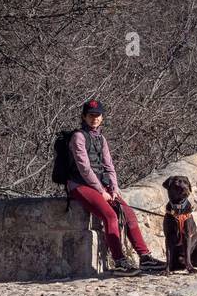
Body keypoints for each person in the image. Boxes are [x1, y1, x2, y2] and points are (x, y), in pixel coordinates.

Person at [62, 99, 163, 273]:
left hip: (101, 185)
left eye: (97, 115)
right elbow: (84, 168)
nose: (94, 118)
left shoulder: (101, 138)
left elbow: (109, 166)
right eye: (91, 115)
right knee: (110, 216)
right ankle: (119, 262)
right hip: (79, 184)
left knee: (128, 213)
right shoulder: (78, 137)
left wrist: (114, 189)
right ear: (84, 117)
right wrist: (101, 191)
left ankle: (145, 257)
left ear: (102, 118)